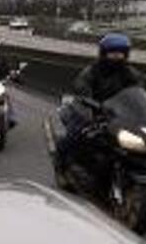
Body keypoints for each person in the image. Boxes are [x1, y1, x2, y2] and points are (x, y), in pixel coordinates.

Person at [56, 33, 141, 166]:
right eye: (113, 53)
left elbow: (139, 92)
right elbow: (81, 85)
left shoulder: (130, 73)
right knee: (76, 133)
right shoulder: (92, 71)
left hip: (118, 114)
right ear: (104, 54)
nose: (117, 57)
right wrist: (90, 102)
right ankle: (60, 160)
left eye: (120, 53)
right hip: (92, 109)